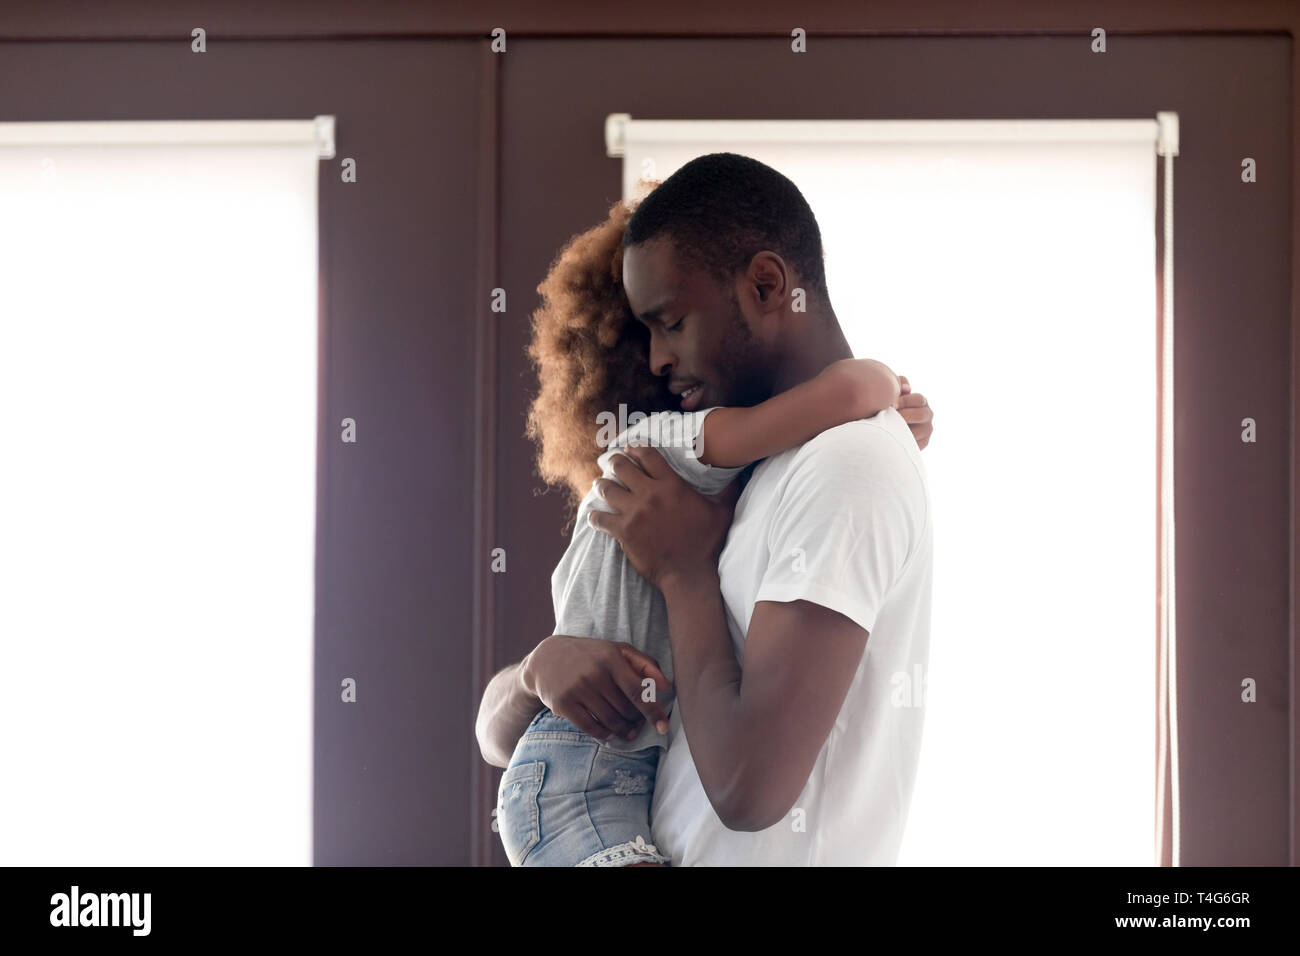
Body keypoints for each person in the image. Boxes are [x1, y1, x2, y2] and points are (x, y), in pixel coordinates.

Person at [477, 153, 935, 866]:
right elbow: (496, 735)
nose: (658, 362)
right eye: (645, 337)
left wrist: (686, 574)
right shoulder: (715, 482)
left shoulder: (845, 465)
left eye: (673, 323)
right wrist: (540, 668)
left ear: (765, 284)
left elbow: (750, 791)